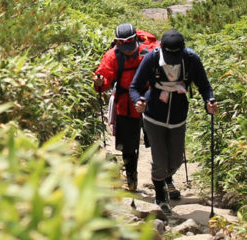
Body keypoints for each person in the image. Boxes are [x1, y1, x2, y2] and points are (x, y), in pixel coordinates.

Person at [129, 29, 217, 218]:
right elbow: (135, 86)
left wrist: (209, 100)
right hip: (153, 115)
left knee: (176, 160)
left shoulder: (191, 59)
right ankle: (160, 195)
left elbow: (204, 85)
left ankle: (165, 178)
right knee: (160, 161)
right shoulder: (151, 59)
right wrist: (138, 101)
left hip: (178, 116)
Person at [92, 23, 157, 193]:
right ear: (118, 43)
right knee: (128, 145)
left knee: (158, 140)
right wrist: (100, 83)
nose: (129, 50)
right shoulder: (112, 56)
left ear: (136, 39)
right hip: (125, 104)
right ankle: (131, 179)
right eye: (125, 47)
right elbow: (104, 79)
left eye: (131, 46)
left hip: (150, 99)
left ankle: (165, 180)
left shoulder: (150, 50)